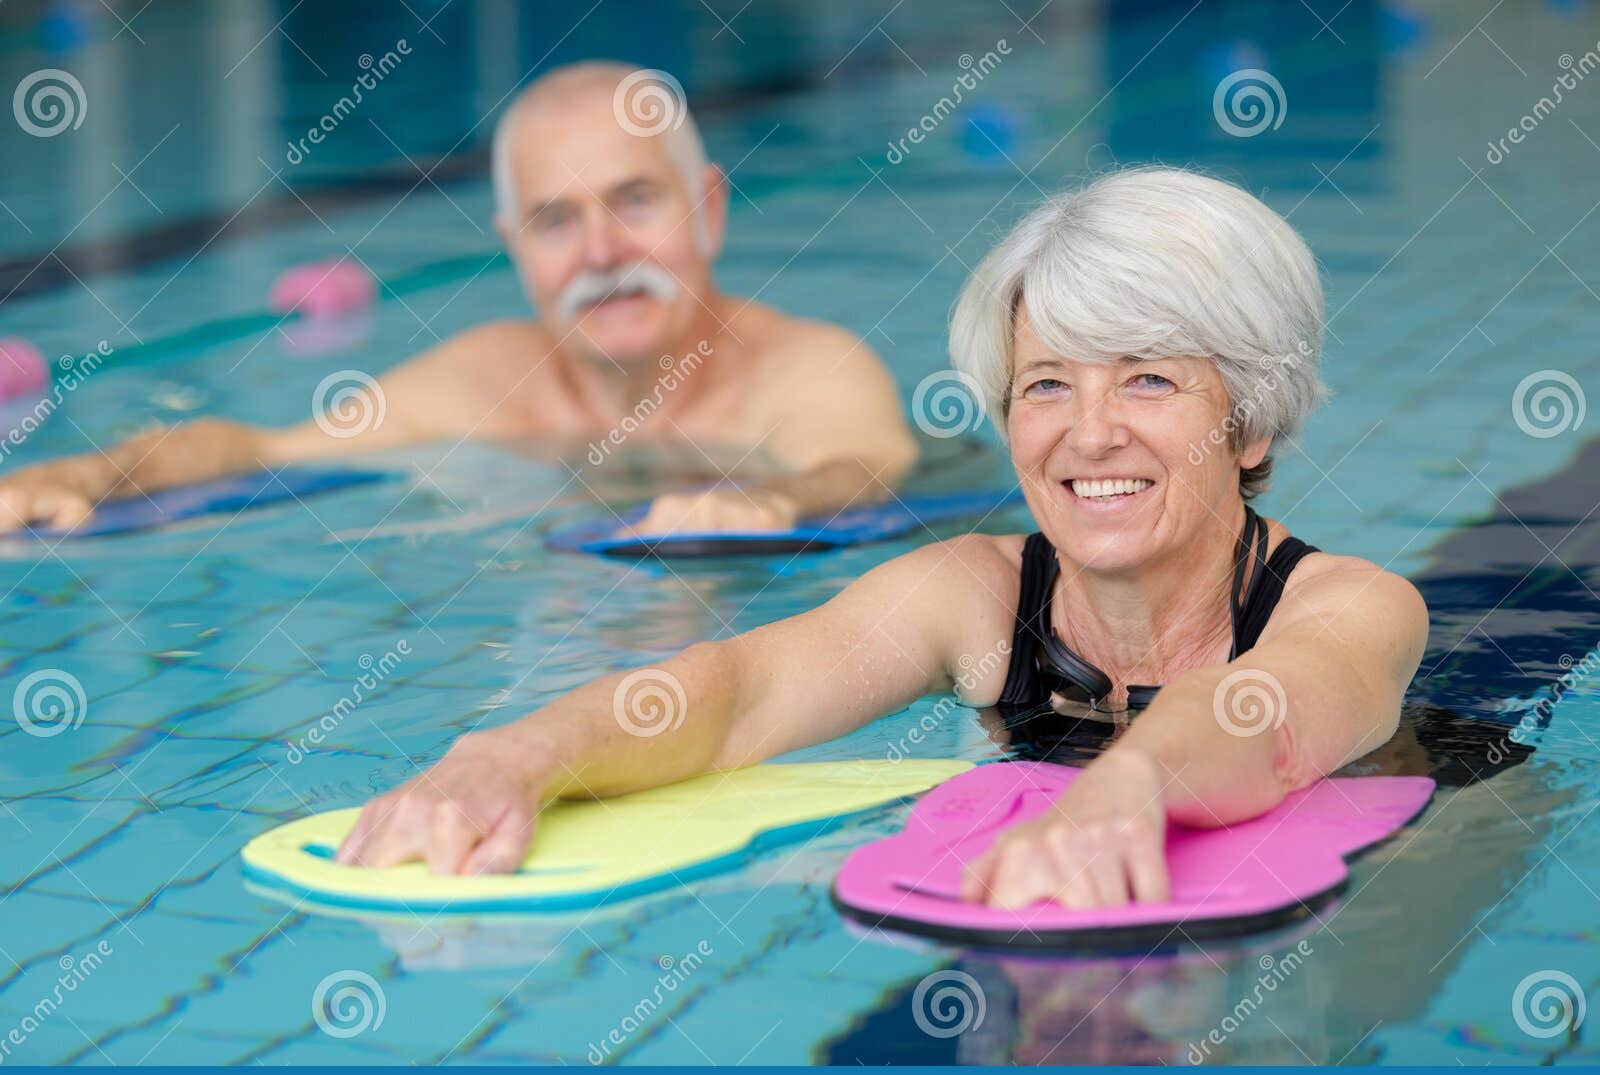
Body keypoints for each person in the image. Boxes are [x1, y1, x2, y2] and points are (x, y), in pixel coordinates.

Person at [336, 166, 1427, 911]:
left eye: (1147, 377)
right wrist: (504, 760)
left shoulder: (1352, 608)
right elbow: (731, 694)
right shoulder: (975, 595)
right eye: (1046, 384)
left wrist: (1123, 788)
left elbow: (1258, 721)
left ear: (1251, 422)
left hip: (1393, 874)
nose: (1089, 433)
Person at [0, 62, 915, 536]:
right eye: (557, 221)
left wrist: (772, 502)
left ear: (708, 208)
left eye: (635, 201)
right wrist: (84, 475)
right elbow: (255, 447)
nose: (601, 251)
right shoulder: (487, 381)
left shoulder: (808, 369)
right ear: (517, 252)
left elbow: (862, 468)